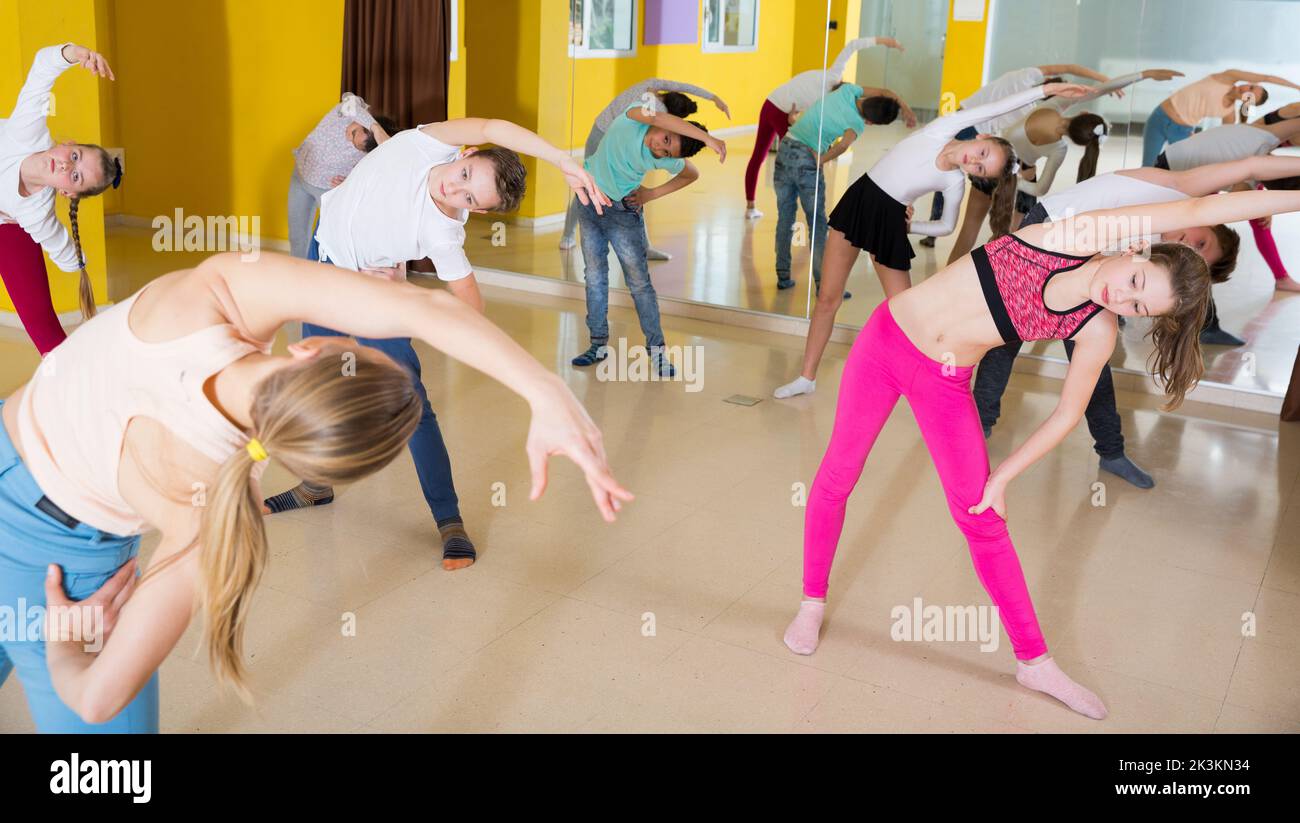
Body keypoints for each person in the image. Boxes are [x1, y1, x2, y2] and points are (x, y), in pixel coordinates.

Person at [0, 250, 631, 733]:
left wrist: (545, 393)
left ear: (314, 347)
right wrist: (59, 638)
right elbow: (94, 697)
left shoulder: (217, 290)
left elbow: (428, 309)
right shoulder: (213, 519)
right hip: (60, 570)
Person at [782, 185, 1300, 719]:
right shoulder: (1072, 236)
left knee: (984, 517)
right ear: (1135, 251)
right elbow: (1199, 208)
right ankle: (811, 603)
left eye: (1139, 306)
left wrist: (1003, 476)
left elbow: (1066, 414)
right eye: (1136, 282)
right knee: (837, 475)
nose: (1124, 299)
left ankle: (1034, 660)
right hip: (886, 343)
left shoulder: (1096, 329)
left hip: (946, 383)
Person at [263, 117, 609, 572]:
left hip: (376, 298)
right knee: (317, 386)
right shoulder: (423, 146)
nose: (455, 191)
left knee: (410, 403)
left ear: (477, 211)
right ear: (463, 154)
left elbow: (469, 303)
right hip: (323, 263)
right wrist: (562, 160)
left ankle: (449, 519)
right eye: (465, 175)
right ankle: (315, 484)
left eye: (470, 199)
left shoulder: (443, 230)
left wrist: (417, 304)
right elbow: (491, 125)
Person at [772, 82, 1092, 400]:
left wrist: (910, 227)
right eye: (981, 153)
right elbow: (995, 107)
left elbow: (946, 226)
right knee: (828, 298)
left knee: (907, 314)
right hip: (859, 201)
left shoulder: (953, 182)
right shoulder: (939, 131)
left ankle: (927, 383)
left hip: (889, 223)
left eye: (979, 168)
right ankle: (806, 376)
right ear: (981, 137)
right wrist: (1047, 89)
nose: (972, 161)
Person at [569, 103, 723, 377]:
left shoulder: (664, 158)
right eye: (665, 140)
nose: (659, 150)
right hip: (589, 204)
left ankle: (657, 352)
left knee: (639, 284)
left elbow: (691, 173)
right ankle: (597, 344)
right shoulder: (635, 117)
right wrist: (707, 139)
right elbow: (661, 117)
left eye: (666, 152)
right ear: (668, 126)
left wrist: (651, 194)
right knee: (594, 276)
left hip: (623, 215)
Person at [0, 42, 122, 355]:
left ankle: (72, 389)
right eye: (75, 155)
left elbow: (64, 252)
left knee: (44, 328)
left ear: (67, 192)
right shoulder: (27, 131)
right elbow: (42, 69)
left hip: (6, 222)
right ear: (66, 144)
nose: (67, 165)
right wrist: (73, 54)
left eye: (76, 176)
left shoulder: (38, 215)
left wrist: (78, 262)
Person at [559, 80, 729, 259]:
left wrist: (713, 98)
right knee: (588, 185)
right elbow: (659, 118)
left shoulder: (653, 87)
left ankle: (644, 246)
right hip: (603, 132)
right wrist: (708, 139)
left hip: (629, 140)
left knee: (634, 192)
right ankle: (568, 234)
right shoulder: (657, 111)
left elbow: (683, 86)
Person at [744, 36, 904, 219]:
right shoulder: (827, 101)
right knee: (801, 161)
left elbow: (852, 46)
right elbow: (807, 131)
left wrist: (883, 41)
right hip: (782, 112)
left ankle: (751, 207)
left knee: (759, 156)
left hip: (770, 102)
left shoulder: (836, 78)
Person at [772, 84, 903, 292]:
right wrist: (822, 159)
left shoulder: (848, 90)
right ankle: (822, 284)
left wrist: (903, 106)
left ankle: (783, 276)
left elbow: (884, 91)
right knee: (817, 222)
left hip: (786, 147)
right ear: (870, 122)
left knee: (785, 216)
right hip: (808, 156)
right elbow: (842, 145)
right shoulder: (856, 125)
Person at [288, 92, 398, 260]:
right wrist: (376, 129)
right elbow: (350, 101)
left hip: (325, 190)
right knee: (297, 237)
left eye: (356, 145)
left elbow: (367, 177)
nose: (349, 137)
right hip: (300, 176)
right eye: (354, 132)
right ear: (364, 122)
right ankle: (296, 276)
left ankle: (324, 275)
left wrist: (348, 182)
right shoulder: (348, 111)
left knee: (329, 241)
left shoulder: (369, 154)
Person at [1141, 69, 1299, 167]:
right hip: (1160, 117)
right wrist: (1297, 87)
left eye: (1249, 96)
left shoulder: (1229, 114)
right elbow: (1267, 78)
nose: (1246, 91)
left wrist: (1197, 137)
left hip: (1182, 131)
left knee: (1175, 169)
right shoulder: (1226, 78)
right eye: (1250, 87)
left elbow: (1219, 140)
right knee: (1147, 166)